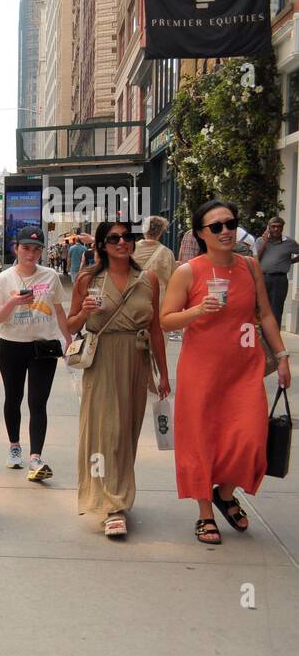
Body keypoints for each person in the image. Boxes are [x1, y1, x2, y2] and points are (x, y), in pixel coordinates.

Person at [161, 199, 291, 545]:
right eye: (216, 226)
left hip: (244, 370)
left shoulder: (250, 266)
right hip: (201, 371)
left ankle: (226, 492)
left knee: (250, 439)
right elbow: (165, 319)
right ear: (201, 234)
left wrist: (281, 356)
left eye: (230, 223)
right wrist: (198, 310)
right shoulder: (189, 271)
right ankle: (205, 513)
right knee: (201, 441)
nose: (225, 231)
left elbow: (264, 314)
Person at [66, 221, 171, 538]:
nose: (122, 242)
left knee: (126, 432)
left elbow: (155, 329)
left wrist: (163, 373)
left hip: (137, 359)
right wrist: (84, 312)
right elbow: (72, 326)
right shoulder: (88, 279)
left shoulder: (148, 279)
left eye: (128, 237)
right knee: (104, 431)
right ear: (101, 244)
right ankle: (110, 504)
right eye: (114, 238)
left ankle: (119, 494)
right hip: (102, 358)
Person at [0, 225, 70, 482]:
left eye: (36, 249)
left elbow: (58, 310)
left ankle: (35, 457)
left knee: (38, 402)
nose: (31, 254)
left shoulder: (51, 276)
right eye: (26, 248)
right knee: (13, 398)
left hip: (44, 346)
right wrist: (12, 302)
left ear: (42, 251)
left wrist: (68, 339)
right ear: (16, 249)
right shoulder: (4, 279)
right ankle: (14, 446)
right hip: (11, 346)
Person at [255, 216, 299, 324]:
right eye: (273, 227)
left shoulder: (289, 242)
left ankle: (273, 339)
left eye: (279, 227)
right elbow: (255, 259)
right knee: (258, 309)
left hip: (279, 280)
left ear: (282, 228)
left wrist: (290, 261)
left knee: (276, 311)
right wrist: (265, 242)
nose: (276, 229)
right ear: (268, 228)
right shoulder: (260, 241)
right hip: (261, 278)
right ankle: (260, 339)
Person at [132, 216, 176, 298]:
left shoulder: (132, 249)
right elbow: (173, 281)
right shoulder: (167, 253)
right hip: (158, 299)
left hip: (134, 297)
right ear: (160, 232)